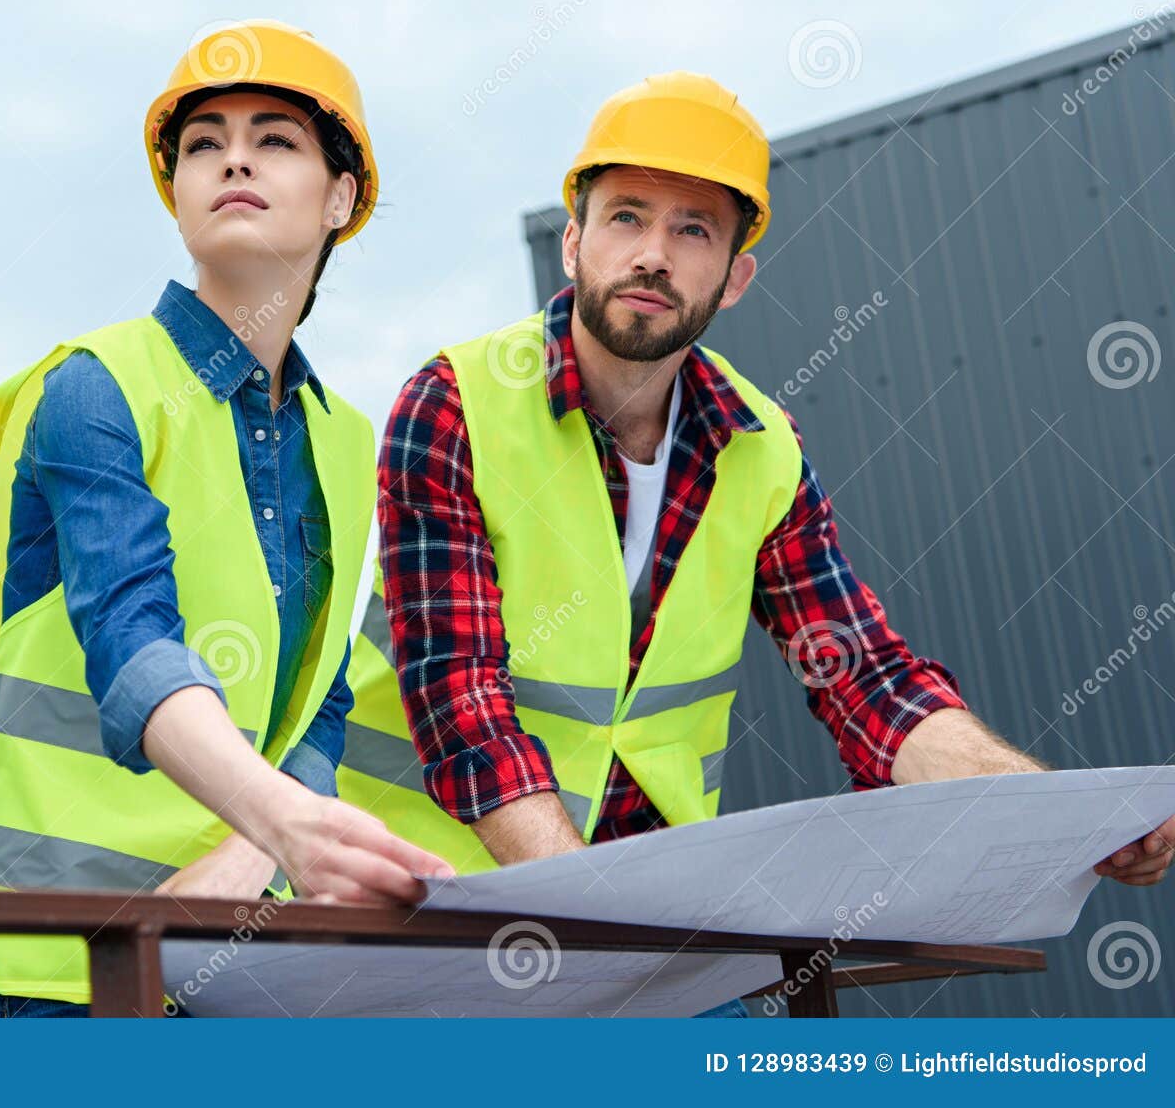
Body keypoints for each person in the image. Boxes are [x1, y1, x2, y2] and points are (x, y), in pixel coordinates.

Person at [337, 72, 1174, 1018]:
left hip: (647, 933)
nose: (652, 254)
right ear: (574, 244)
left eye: (693, 229)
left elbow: (865, 684)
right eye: (625, 218)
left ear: (734, 277)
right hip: (428, 912)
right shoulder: (453, 404)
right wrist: (596, 932)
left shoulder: (761, 448)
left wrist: (1062, 821)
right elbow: (463, 706)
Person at [0, 19, 451, 1018]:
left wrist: (255, 850)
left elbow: (317, 697)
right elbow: (131, 643)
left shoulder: (344, 439)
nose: (233, 158)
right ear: (176, 197)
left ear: (341, 197)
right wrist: (284, 830)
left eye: (275, 139)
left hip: (236, 934)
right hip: (58, 956)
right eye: (203, 143)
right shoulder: (95, 388)